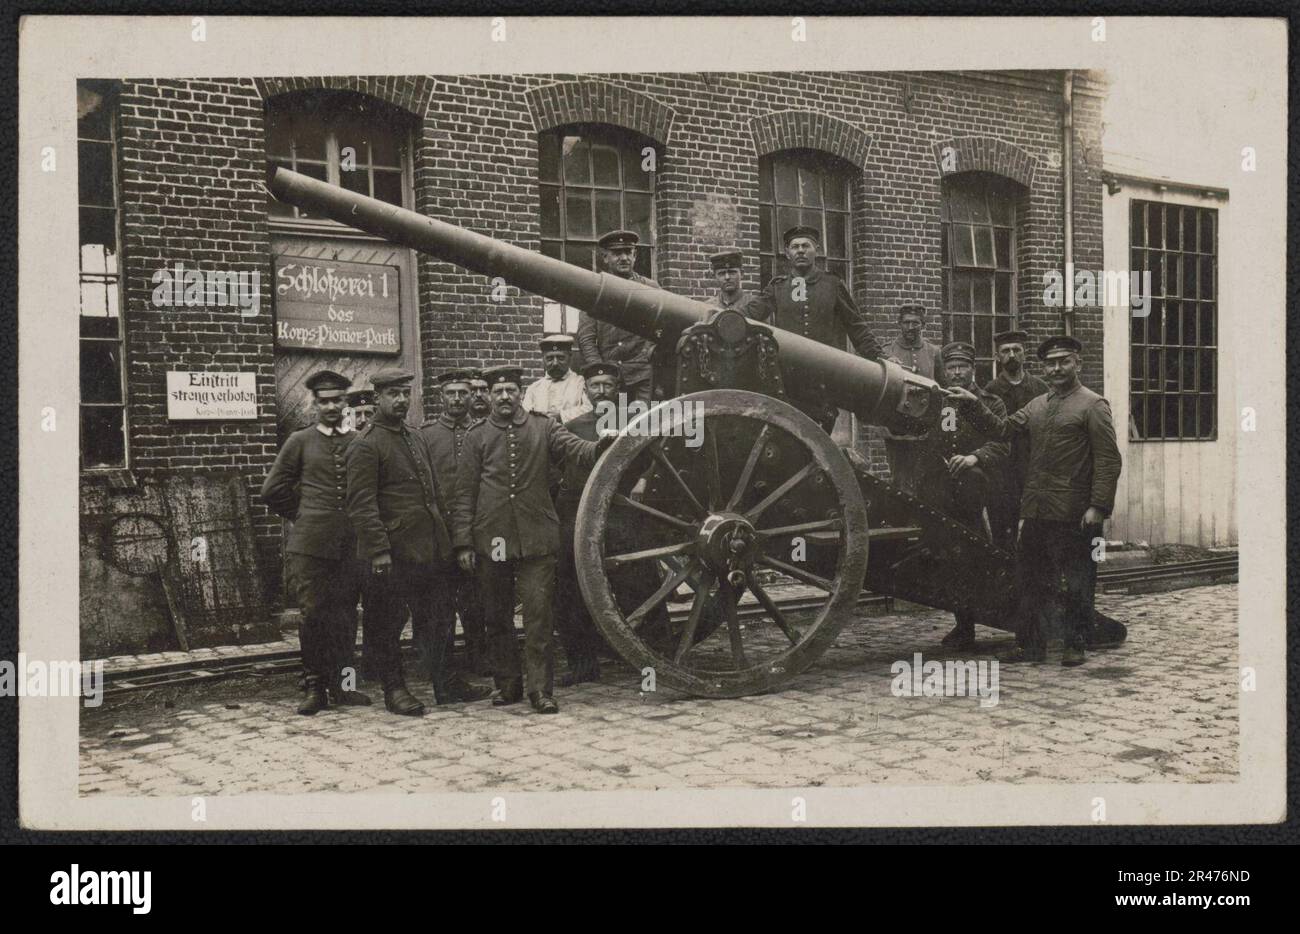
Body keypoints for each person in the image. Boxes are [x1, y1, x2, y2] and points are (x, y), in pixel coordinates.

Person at [946, 335, 1122, 667]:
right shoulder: (1037, 405)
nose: (1056, 368)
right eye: (1050, 363)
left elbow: (1109, 461)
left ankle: (1075, 643)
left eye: (1063, 361)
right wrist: (972, 402)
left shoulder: (1093, 405)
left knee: (1078, 579)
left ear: (1077, 364)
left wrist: (1098, 506)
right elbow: (1001, 430)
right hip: (1037, 509)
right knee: (1030, 579)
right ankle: (1030, 645)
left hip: (1075, 512)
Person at [452, 366, 612, 714]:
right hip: (492, 537)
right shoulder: (477, 436)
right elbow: (464, 494)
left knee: (539, 617)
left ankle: (541, 690)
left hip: (537, 538)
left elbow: (576, 449)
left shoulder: (543, 427)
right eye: (498, 391)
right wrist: (464, 543)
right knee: (496, 615)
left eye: (511, 390)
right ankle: (507, 685)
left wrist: (602, 447)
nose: (505, 396)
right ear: (491, 396)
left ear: (520, 393)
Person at [346, 367, 470, 715]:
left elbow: (432, 494)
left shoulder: (416, 437)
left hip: (428, 548)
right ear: (378, 398)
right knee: (388, 622)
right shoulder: (366, 444)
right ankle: (394, 689)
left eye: (405, 394)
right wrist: (379, 551)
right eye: (393, 394)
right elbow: (362, 504)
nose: (401, 400)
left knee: (440, 617)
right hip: (394, 554)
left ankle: (447, 684)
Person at [261, 369, 371, 715]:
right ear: (314, 405)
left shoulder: (358, 441)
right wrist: (305, 514)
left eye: (338, 400)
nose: (331, 407)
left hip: (350, 546)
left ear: (345, 403)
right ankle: (314, 687)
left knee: (347, 615)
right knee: (313, 616)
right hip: (310, 547)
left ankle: (345, 685)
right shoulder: (299, 441)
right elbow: (272, 490)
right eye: (324, 401)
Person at [746, 224, 884, 429]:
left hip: (824, 378)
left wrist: (879, 356)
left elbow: (855, 326)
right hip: (788, 378)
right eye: (795, 247)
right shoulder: (778, 287)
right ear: (787, 253)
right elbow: (750, 315)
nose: (800, 250)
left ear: (816, 250)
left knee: (820, 435)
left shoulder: (832, 284)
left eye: (806, 245)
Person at [927, 342, 1009, 650]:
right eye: (951, 368)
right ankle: (964, 626)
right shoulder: (942, 403)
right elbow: (935, 441)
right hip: (950, 491)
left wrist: (975, 457)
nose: (956, 373)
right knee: (953, 558)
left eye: (962, 367)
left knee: (981, 554)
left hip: (983, 490)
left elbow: (1003, 441)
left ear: (972, 369)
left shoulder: (991, 402)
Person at [418, 369, 494, 683]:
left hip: (477, 528)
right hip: (440, 532)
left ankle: (479, 658)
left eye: (464, 393)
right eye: (452, 393)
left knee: (476, 599)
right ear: (441, 397)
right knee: (439, 601)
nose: (459, 399)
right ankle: (441, 662)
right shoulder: (426, 435)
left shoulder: (485, 431)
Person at [552, 361, 621, 686]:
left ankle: (642, 653)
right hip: (578, 515)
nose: (602, 391)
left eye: (608, 385)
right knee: (570, 587)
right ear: (586, 390)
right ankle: (582, 662)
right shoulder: (574, 426)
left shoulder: (635, 422)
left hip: (623, 519)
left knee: (635, 582)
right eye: (595, 386)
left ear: (617, 388)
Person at [982, 329, 1051, 549]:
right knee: (1002, 523)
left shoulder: (1041, 388)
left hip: (1033, 466)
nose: (1011, 355)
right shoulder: (990, 391)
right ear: (997, 356)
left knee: (1035, 525)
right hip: (1002, 469)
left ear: (1025, 353)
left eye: (1016, 350)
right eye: (1005, 350)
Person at [575, 229, 660, 405]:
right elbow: (586, 338)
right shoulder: (594, 291)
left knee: (643, 426)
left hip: (642, 375)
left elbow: (661, 327)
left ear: (635, 255)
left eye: (628, 252)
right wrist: (601, 371)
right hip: (609, 378)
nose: (624, 258)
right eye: (616, 253)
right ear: (605, 257)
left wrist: (647, 355)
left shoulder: (651, 288)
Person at [880, 304, 942, 496]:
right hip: (896, 429)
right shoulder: (887, 351)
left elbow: (942, 388)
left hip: (924, 429)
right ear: (899, 324)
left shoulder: (934, 352)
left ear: (922, 325)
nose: (910, 327)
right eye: (906, 322)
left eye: (915, 323)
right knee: (899, 480)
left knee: (924, 480)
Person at [521, 334, 591, 423]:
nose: (555, 363)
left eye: (561, 358)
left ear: (570, 357)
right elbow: (525, 416)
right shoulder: (534, 388)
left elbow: (589, 410)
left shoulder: (581, 383)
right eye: (549, 358)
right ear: (543, 359)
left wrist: (561, 416)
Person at [705, 249, 754, 315]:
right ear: (715, 277)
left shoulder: (754, 305)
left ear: (741, 273)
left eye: (732, 272)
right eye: (722, 273)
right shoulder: (708, 307)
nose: (727, 277)